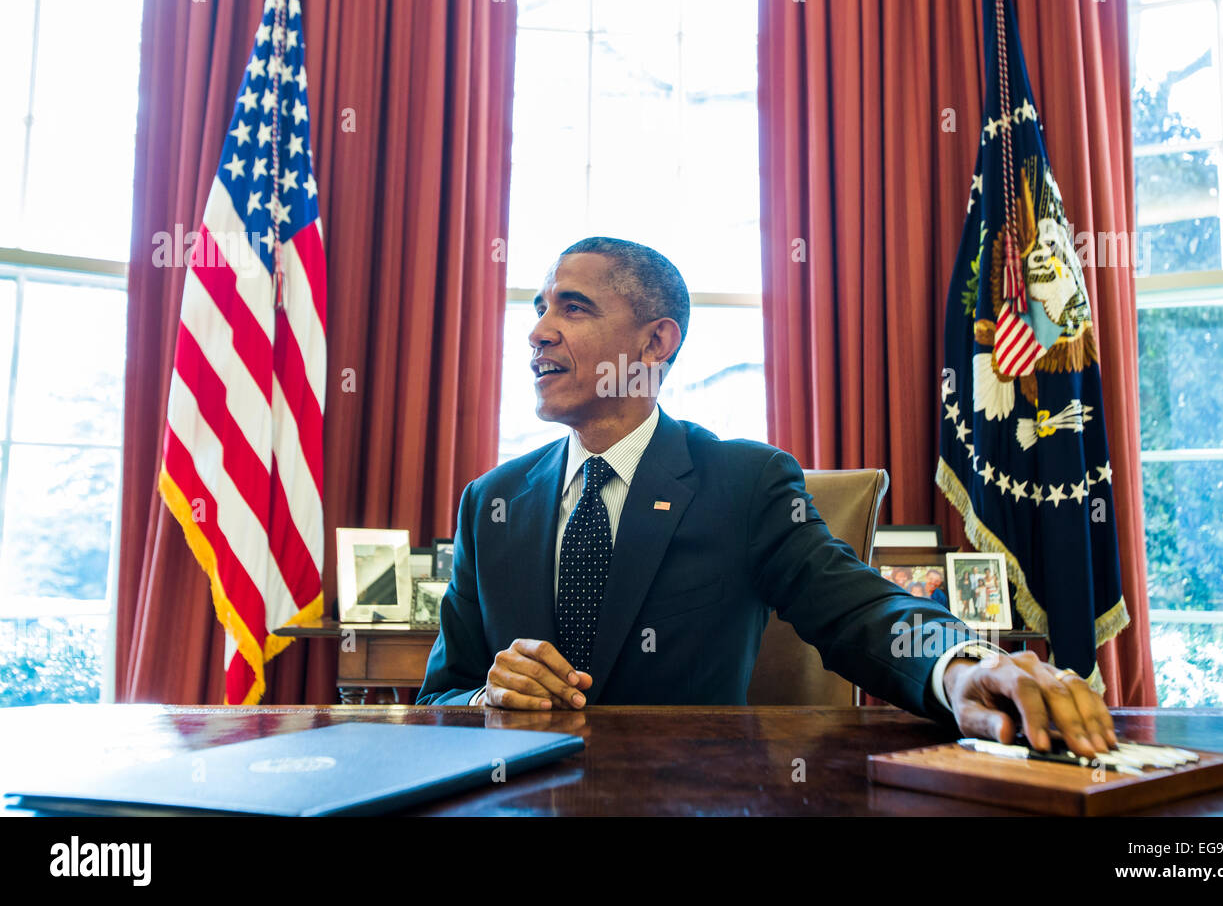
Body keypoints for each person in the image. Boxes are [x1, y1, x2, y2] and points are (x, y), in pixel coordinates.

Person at [415, 237, 1117, 758]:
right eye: (539, 308)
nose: (538, 329)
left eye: (573, 307)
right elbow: (440, 696)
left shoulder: (744, 482)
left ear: (656, 341)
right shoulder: (491, 502)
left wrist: (961, 665)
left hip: (687, 802)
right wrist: (486, 698)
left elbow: (859, 609)